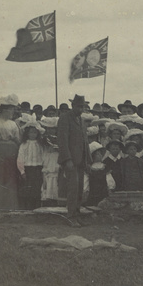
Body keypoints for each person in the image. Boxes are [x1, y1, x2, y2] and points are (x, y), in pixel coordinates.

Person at [57, 94, 90, 224]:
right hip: (71, 160)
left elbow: (85, 141)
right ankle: (70, 216)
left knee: (80, 188)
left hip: (81, 160)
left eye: (82, 107)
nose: (80, 109)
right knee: (73, 188)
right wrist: (67, 159)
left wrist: (88, 160)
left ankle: (77, 213)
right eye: (78, 106)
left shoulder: (81, 120)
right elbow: (62, 140)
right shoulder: (65, 118)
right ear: (72, 106)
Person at [17, 123, 46, 210]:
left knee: (37, 188)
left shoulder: (40, 144)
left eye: (34, 133)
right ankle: (27, 208)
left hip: (38, 169)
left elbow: (44, 156)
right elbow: (20, 158)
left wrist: (43, 168)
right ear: (27, 134)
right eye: (30, 133)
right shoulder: (24, 145)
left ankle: (36, 207)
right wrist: (22, 171)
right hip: (28, 169)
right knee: (27, 189)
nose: (32, 135)